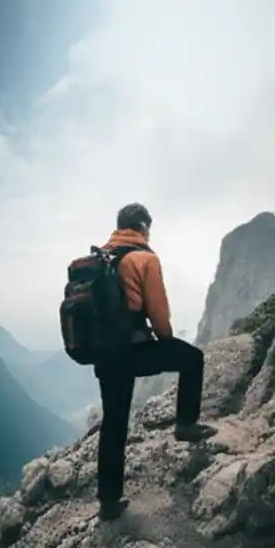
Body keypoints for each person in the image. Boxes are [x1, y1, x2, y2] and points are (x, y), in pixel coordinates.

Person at [94, 203, 217, 521]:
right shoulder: (144, 258)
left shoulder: (101, 258)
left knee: (114, 421)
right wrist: (165, 340)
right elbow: (159, 316)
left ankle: (109, 501)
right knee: (192, 358)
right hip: (132, 350)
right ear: (143, 226)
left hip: (104, 353)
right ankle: (185, 425)